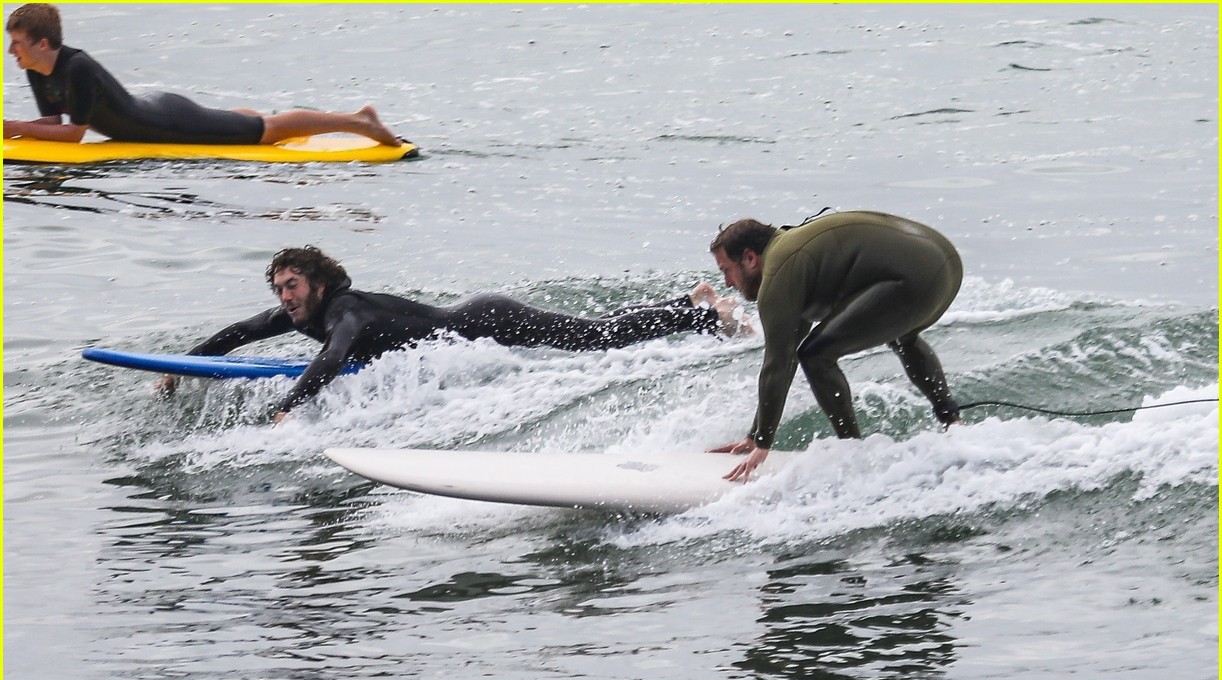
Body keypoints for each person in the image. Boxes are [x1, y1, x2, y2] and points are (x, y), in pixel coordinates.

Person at [157, 246, 747, 424]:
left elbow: (336, 357)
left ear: (316, 283)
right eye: (279, 289)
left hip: (482, 322)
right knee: (595, 333)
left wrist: (289, 406)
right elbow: (239, 332)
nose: (283, 298)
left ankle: (703, 316)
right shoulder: (301, 314)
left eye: (291, 286)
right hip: (469, 325)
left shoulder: (345, 311)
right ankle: (687, 303)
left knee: (595, 339)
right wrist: (180, 365)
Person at [707, 210, 963, 482]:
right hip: (945, 266)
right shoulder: (793, 257)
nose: (727, 283)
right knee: (903, 334)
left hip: (914, 277)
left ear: (750, 258)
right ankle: (953, 423)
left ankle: (852, 450)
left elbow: (777, 364)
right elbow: (785, 357)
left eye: (727, 270)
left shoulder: (780, 273)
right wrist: (754, 435)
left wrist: (762, 444)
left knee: (816, 355)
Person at [4, 4, 401, 146]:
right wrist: (15, 127)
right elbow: (53, 121)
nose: (10, 52)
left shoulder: (78, 67)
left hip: (167, 122)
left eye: (17, 43)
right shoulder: (37, 68)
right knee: (238, 122)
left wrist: (12, 127)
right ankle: (239, 115)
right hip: (151, 112)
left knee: (268, 132)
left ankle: (358, 121)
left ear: (42, 42)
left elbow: (75, 133)